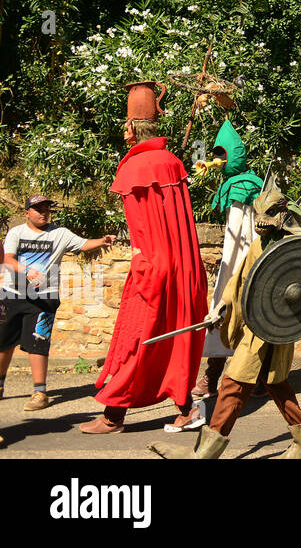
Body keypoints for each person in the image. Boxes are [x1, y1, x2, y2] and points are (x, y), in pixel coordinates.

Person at [150, 172, 301, 458]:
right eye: (257, 213)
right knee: (274, 383)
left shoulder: (293, 248)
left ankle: (206, 452)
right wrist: (221, 307)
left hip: (273, 328)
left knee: (234, 382)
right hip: (258, 323)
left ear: (283, 214)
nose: (259, 221)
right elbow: (240, 280)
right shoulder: (258, 245)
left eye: (267, 214)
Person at [82, 82, 207, 435]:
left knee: (135, 339)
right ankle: (185, 408)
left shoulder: (136, 168)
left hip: (153, 267)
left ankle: (113, 417)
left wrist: (142, 268)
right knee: (173, 337)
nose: (123, 133)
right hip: (184, 267)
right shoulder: (171, 162)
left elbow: (141, 235)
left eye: (125, 126)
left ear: (133, 128)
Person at [179, 120, 263, 432]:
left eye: (223, 153)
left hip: (245, 259)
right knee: (222, 315)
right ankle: (215, 375)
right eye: (217, 153)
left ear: (235, 155)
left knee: (234, 313)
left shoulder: (245, 185)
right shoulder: (236, 182)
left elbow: (243, 230)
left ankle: (245, 378)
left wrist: (236, 266)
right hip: (234, 259)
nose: (219, 159)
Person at [0, 195, 116, 411]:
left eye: (46, 208)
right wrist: (27, 271)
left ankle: (40, 393)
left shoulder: (59, 234)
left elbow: (82, 244)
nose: (43, 212)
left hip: (44, 297)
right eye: (37, 209)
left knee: (38, 341)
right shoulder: (17, 233)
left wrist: (102, 241)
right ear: (27, 213)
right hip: (11, 294)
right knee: (3, 343)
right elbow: (8, 260)